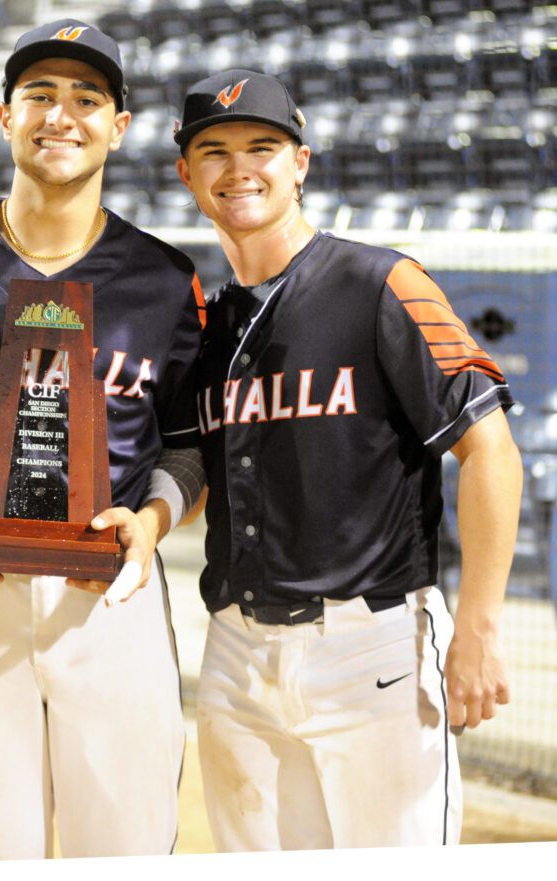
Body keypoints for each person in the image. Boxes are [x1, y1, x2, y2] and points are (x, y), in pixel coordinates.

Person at [0, 19, 206, 861]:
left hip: (109, 596)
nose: (62, 115)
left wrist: (154, 523)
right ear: (4, 113)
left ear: (119, 126)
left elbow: (189, 444)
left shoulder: (164, 278)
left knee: (125, 853)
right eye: (40, 96)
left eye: (87, 98)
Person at [173, 69, 523, 849]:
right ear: (185, 172)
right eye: (214, 151)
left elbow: (490, 450)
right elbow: (195, 475)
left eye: (263, 147)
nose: (239, 170)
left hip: (371, 648)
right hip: (233, 651)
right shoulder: (200, 324)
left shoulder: (382, 282)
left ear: (300, 162)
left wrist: (478, 627)